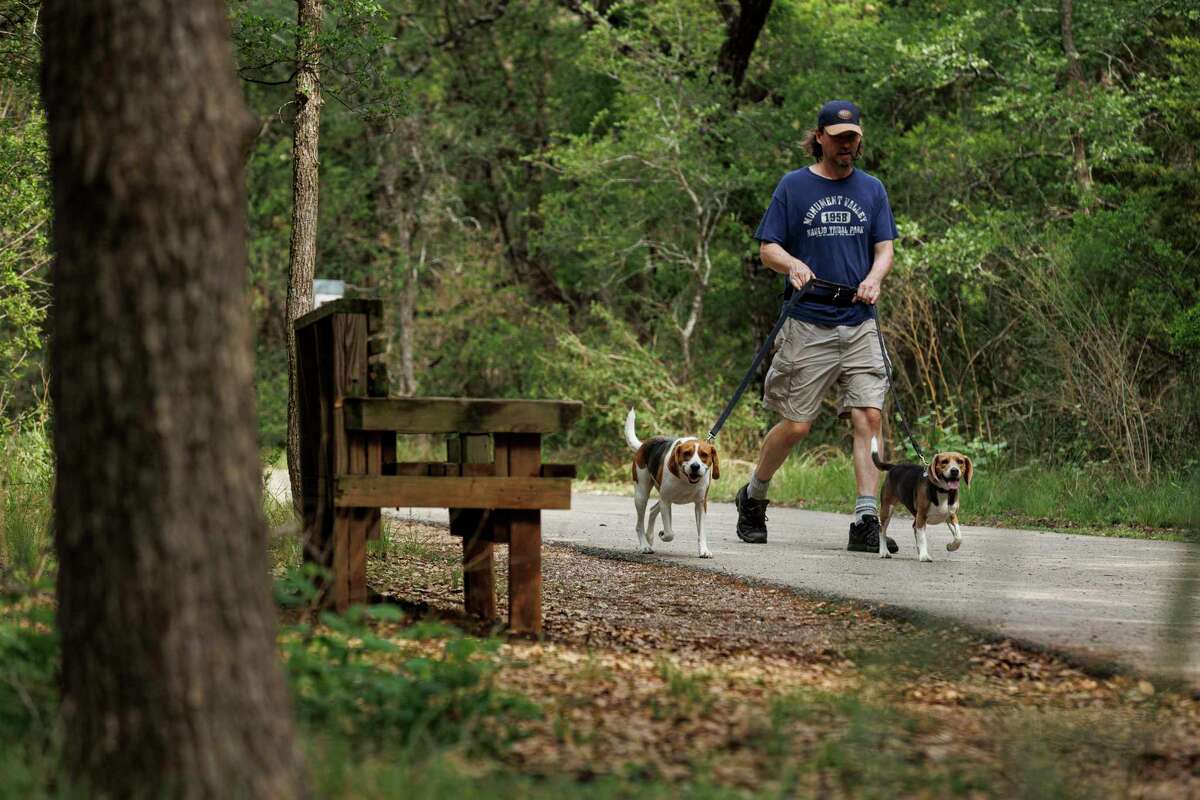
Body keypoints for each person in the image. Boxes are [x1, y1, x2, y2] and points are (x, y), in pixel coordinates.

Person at [734, 99, 899, 553]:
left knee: (869, 414)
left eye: (854, 139)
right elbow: (768, 248)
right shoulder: (794, 186)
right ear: (820, 137)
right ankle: (754, 495)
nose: (848, 146)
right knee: (797, 424)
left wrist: (873, 278)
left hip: (859, 320)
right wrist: (792, 264)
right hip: (808, 322)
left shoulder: (873, 190)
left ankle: (865, 518)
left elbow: (884, 249)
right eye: (840, 138)